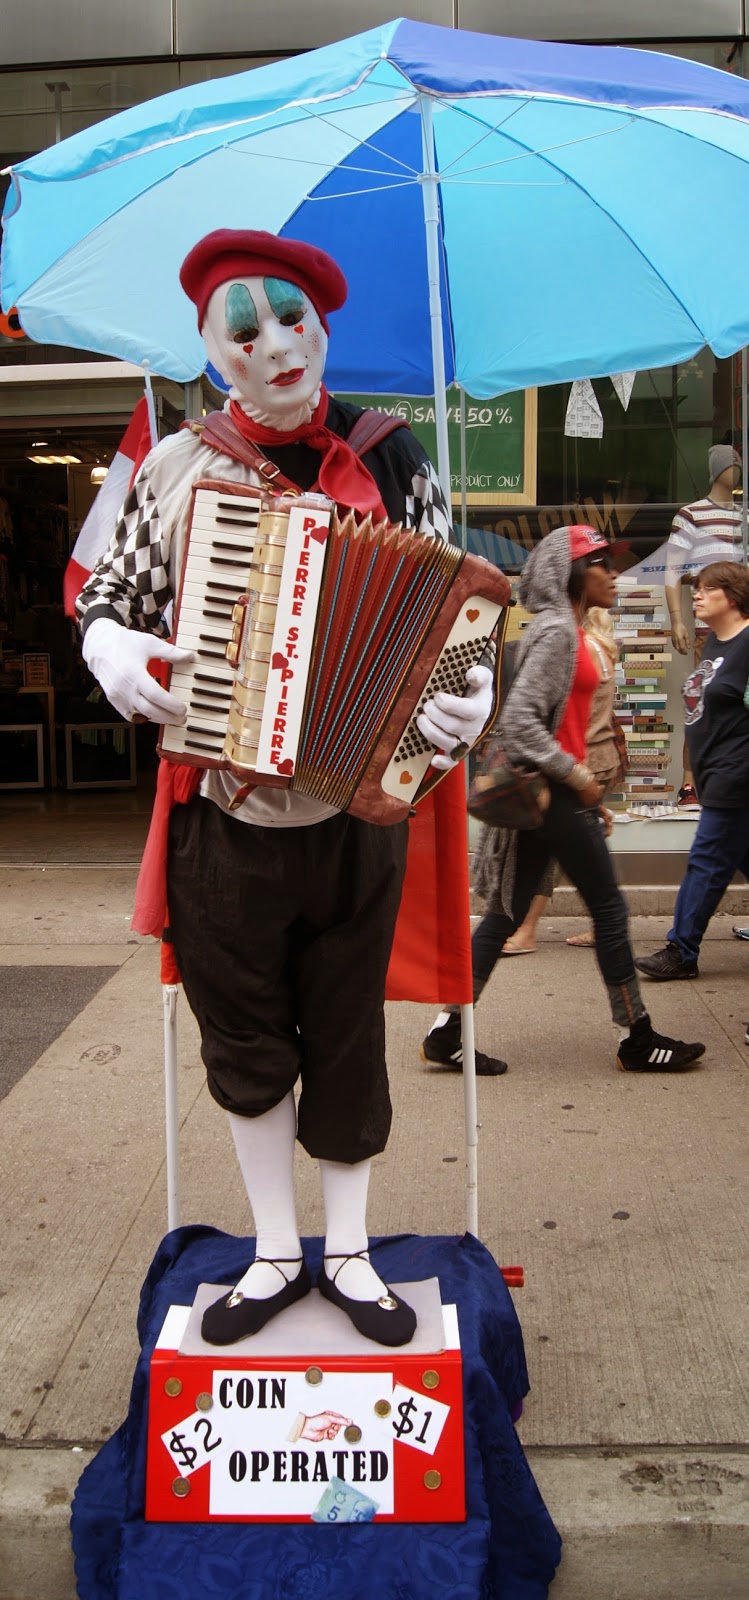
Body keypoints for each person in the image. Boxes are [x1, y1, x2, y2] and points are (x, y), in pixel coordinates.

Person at [75, 230, 494, 1348]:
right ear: (212, 352)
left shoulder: (393, 455)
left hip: (357, 814)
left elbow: (461, 606)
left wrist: (464, 695)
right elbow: (104, 595)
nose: (274, 346)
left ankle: (349, 1254)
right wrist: (112, 649)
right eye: (243, 329)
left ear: (323, 326)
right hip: (224, 813)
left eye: (291, 319)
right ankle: (272, 1250)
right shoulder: (174, 468)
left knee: (347, 1031)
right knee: (244, 1032)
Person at [421, 525, 706, 1076]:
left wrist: (584, 792)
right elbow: (520, 725)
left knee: (504, 915)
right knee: (608, 908)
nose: (614, 574)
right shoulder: (558, 633)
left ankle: (448, 1031)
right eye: (602, 564)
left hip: (554, 798)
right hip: (552, 797)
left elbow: (559, 724)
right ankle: (636, 1037)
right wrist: (578, 778)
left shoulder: (566, 630)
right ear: (573, 573)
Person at [634, 561, 749, 982]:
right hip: (715, 773)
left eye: (705, 589)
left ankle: (681, 951)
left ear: (732, 596)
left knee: (705, 861)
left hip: (735, 775)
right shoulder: (718, 644)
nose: (695, 596)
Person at [499, 606, 623, 954]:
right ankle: (603, 922)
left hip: (580, 763)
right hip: (593, 759)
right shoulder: (601, 651)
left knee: (553, 852)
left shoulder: (581, 652)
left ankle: (526, 929)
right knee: (576, 849)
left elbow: (560, 718)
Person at [664, 443, 743, 803]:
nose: (738, 467)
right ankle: (689, 783)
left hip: (743, 627)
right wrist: (676, 620)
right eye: (732, 463)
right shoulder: (691, 515)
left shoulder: (744, 517)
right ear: (717, 470)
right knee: (703, 705)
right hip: (708, 631)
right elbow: (672, 570)